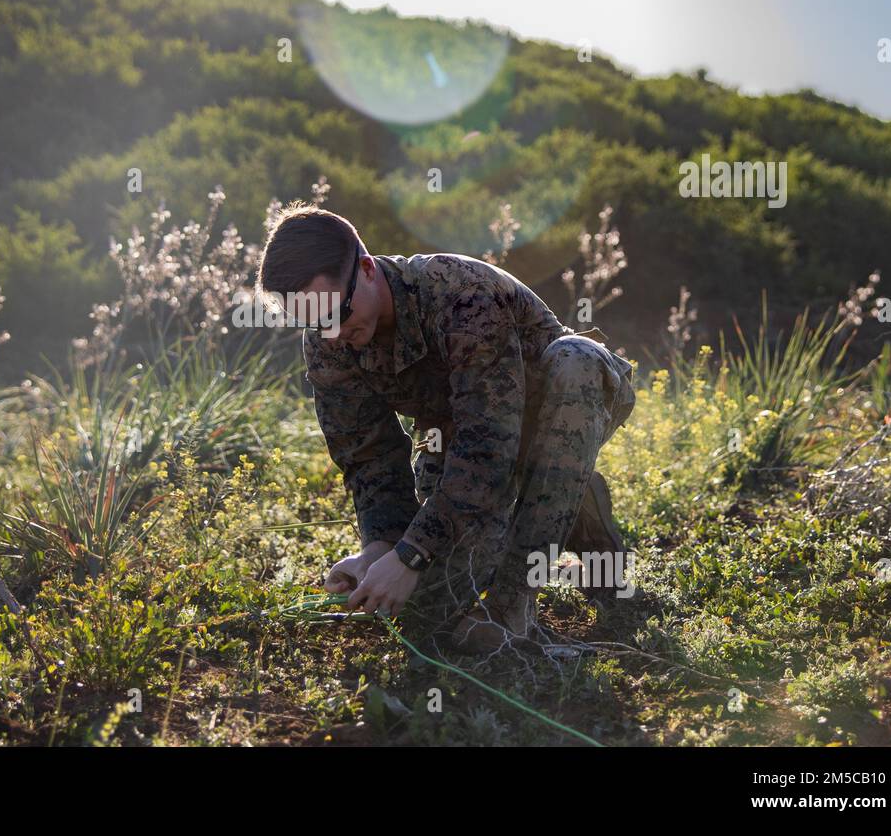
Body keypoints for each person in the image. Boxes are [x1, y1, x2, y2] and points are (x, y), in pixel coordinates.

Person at [254, 203, 637, 654]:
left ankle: (515, 609)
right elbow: (367, 455)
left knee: (576, 359)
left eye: (337, 312)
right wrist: (381, 548)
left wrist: (413, 553)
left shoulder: (460, 294)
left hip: (561, 405)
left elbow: (489, 448)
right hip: (457, 434)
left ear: (367, 268)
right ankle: (578, 499)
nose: (331, 333)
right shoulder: (327, 338)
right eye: (312, 321)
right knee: (434, 605)